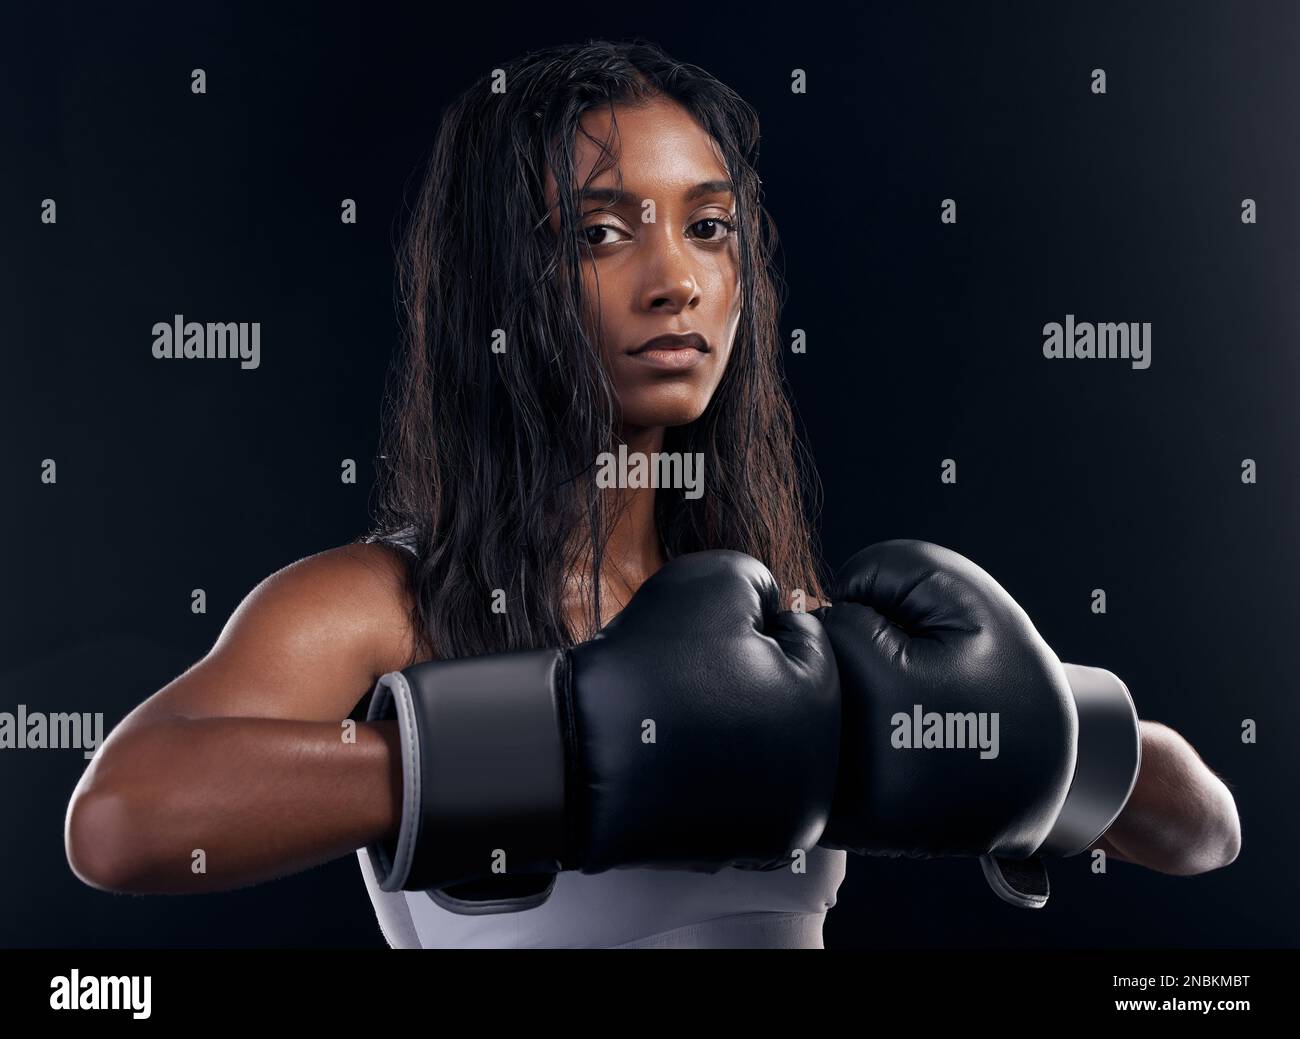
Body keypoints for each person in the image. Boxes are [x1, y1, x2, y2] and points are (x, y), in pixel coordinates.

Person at [63, 39, 1240, 949]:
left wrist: (1032, 736)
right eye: (599, 232)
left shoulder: (794, 629)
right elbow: (121, 821)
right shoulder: (383, 607)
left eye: (710, 227)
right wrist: (565, 748)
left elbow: (1202, 826)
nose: (675, 279)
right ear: (505, 281)